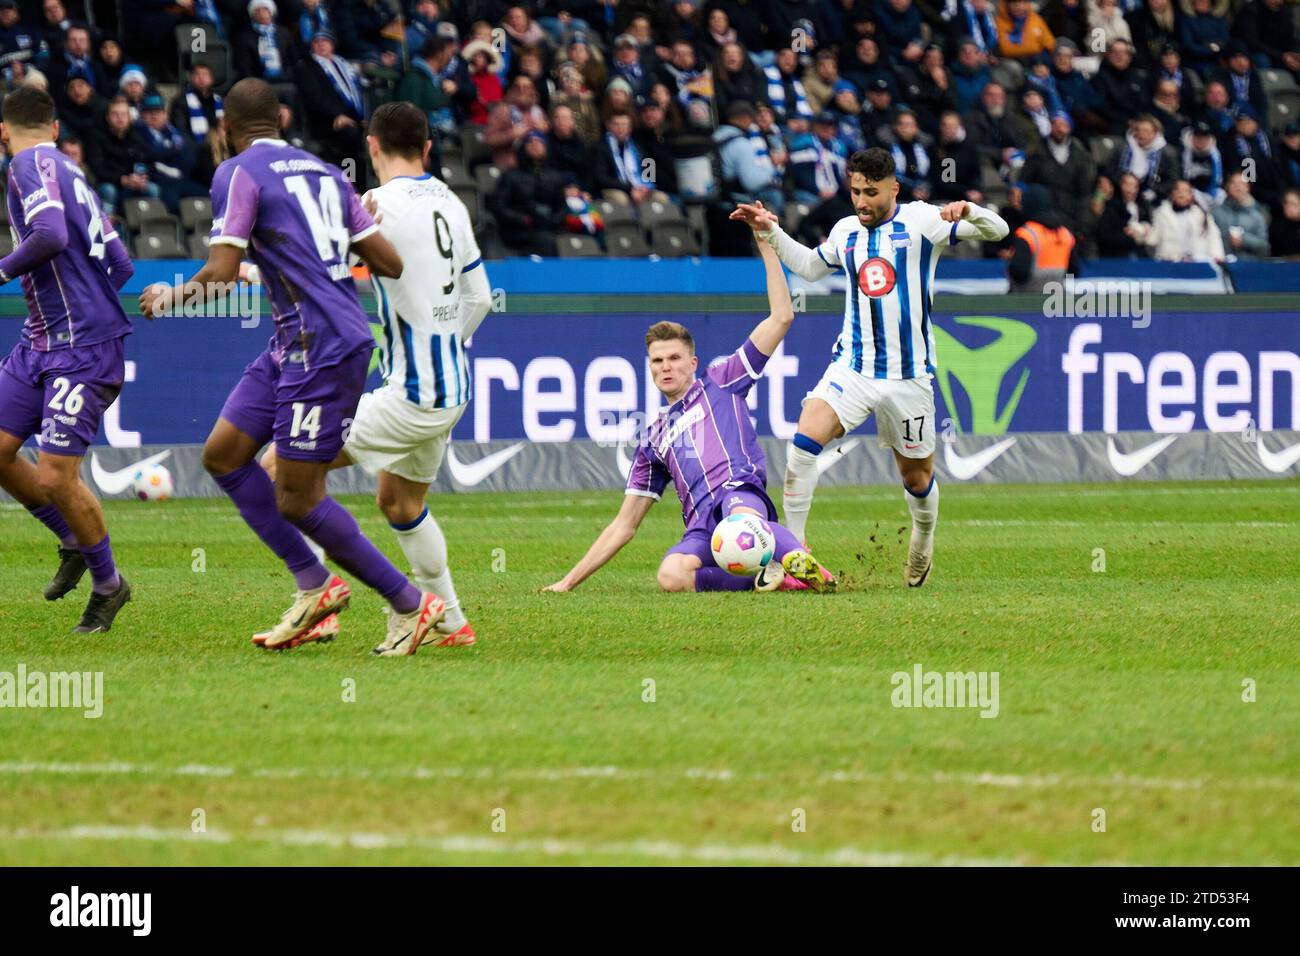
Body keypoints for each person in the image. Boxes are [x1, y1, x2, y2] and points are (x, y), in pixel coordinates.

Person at [137, 78, 444, 655]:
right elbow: (389, 263)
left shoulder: (236, 173)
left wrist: (171, 296)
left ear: (226, 130)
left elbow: (222, 272)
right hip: (297, 340)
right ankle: (314, 585)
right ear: (280, 119)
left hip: (322, 346)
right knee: (224, 455)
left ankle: (411, 604)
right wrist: (343, 230)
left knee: (298, 497)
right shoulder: (327, 173)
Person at [256, 101, 489, 650]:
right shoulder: (452, 201)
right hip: (451, 386)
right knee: (400, 504)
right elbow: (478, 296)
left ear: (372, 146)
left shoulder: (373, 203)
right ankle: (451, 623)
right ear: (428, 148)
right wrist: (443, 344)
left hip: (412, 393)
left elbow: (316, 264)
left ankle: (317, 602)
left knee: (279, 469)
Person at [732, 147, 1011, 586]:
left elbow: (1001, 230)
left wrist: (970, 210)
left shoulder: (922, 221)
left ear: (893, 188)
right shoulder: (845, 231)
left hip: (908, 377)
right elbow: (808, 267)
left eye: (871, 192)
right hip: (853, 368)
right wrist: (771, 231)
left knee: (916, 478)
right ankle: (791, 556)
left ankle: (923, 535)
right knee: (802, 445)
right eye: (855, 191)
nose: (861, 201)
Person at [543, 234, 835, 595]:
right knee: (671, 575)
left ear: (693, 362)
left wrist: (764, 245)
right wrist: (567, 583)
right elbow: (625, 525)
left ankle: (803, 560)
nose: (666, 367)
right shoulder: (653, 438)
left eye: (674, 358)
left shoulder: (723, 382)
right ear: (650, 368)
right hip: (703, 528)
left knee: (739, 520)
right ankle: (771, 578)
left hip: (738, 495)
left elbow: (781, 317)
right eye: (658, 360)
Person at [0, 85, 134, 631]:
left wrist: (3, 269)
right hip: (44, 341)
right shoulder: (71, 169)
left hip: (79, 348)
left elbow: (49, 234)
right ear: (56, 128)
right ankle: (72, 540)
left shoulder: (25, 164)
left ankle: (109, 584)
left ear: (3, 131)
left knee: (57, 475)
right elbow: (121, 262)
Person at [1143, 178, 1225, 260]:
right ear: (1172, 194)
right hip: (1169, 262)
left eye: (1185, 191)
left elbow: (1214, 237)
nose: (1181, 194)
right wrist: (1143, 232)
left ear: (1191, 195)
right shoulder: (1161, 214)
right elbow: (1153, 238)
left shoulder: (1201, 215)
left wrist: (1217, 256)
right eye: (1177, 190)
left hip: (1196, 264)